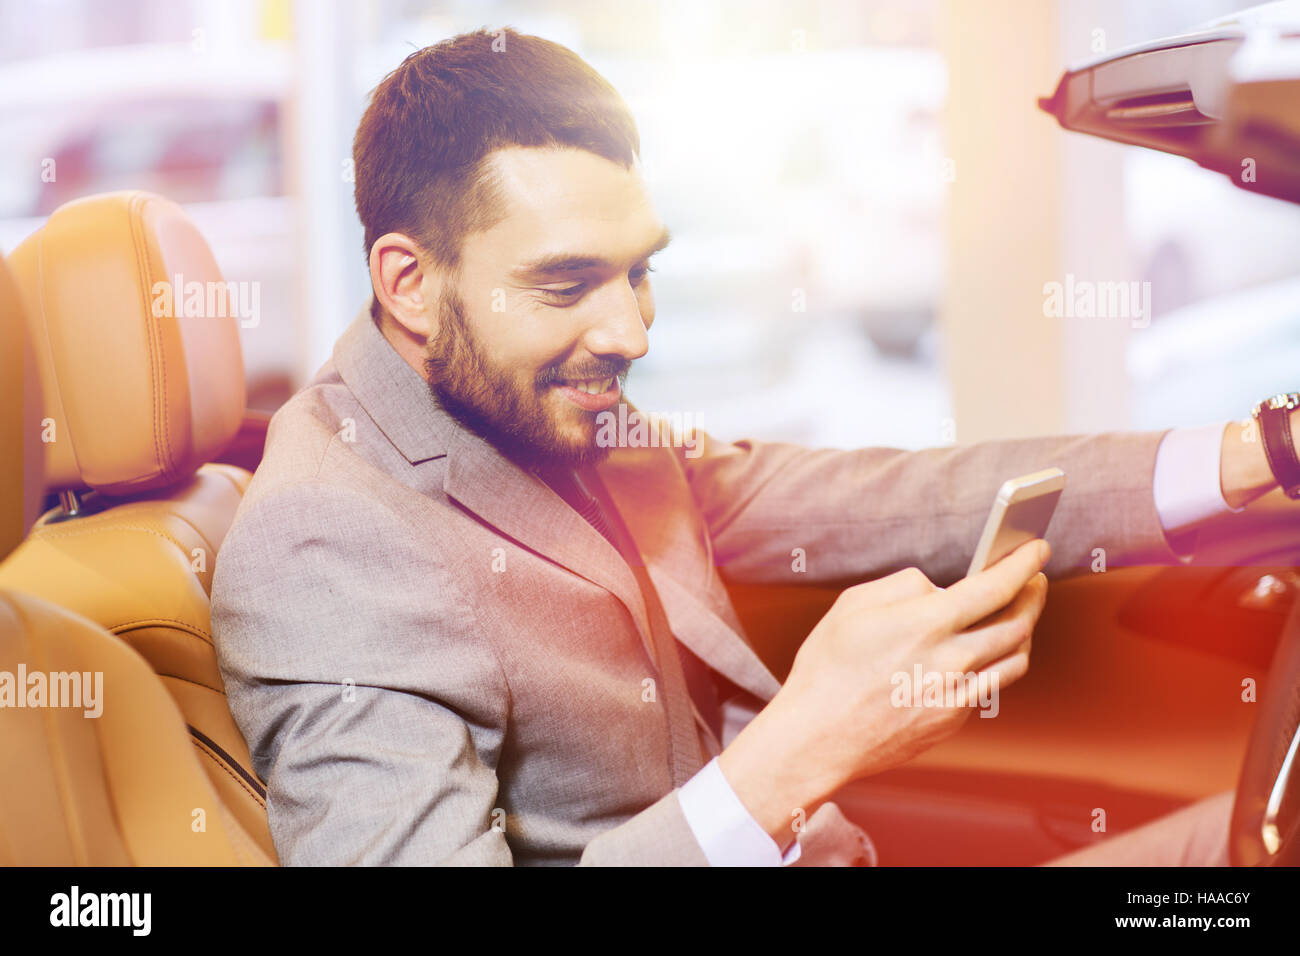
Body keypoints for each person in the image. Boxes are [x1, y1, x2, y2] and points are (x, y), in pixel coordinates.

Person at [211, 28, 1293, 865]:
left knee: (1245, 842)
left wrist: (1257, 453)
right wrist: (803, 749)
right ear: (408, 282)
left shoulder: (549, 407)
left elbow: (876, 497)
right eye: (565, 283)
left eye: (639, 269)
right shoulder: (325, 537)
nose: (631, 332)